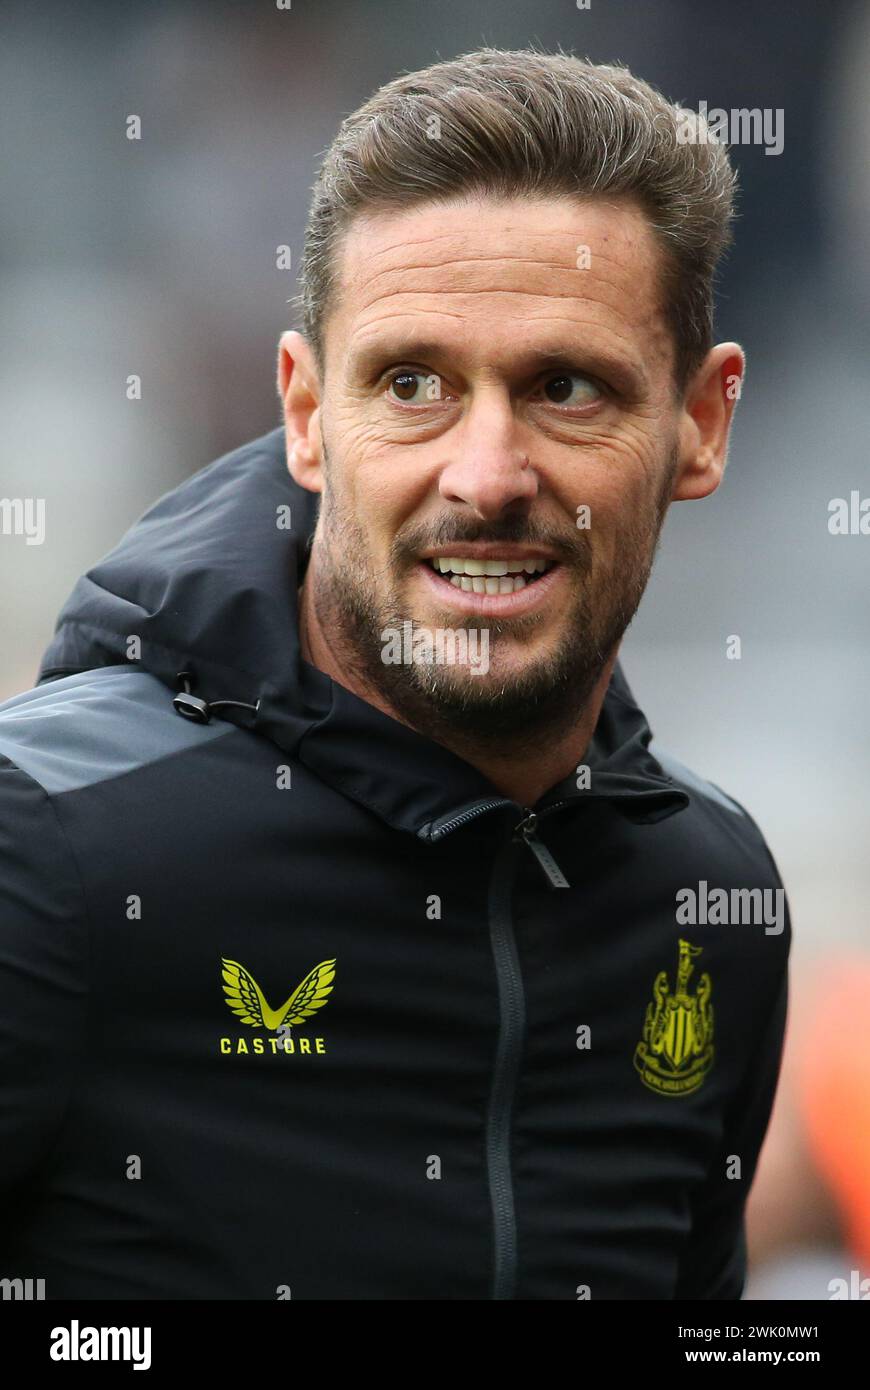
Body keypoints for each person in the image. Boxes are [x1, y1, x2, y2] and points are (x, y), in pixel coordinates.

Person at [0, 47, 790, 1300]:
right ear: (308, 417)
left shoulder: (712, 897)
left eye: (565, 387)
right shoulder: (40, 844)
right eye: (412, 385)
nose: (485, 475)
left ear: (702, 424)